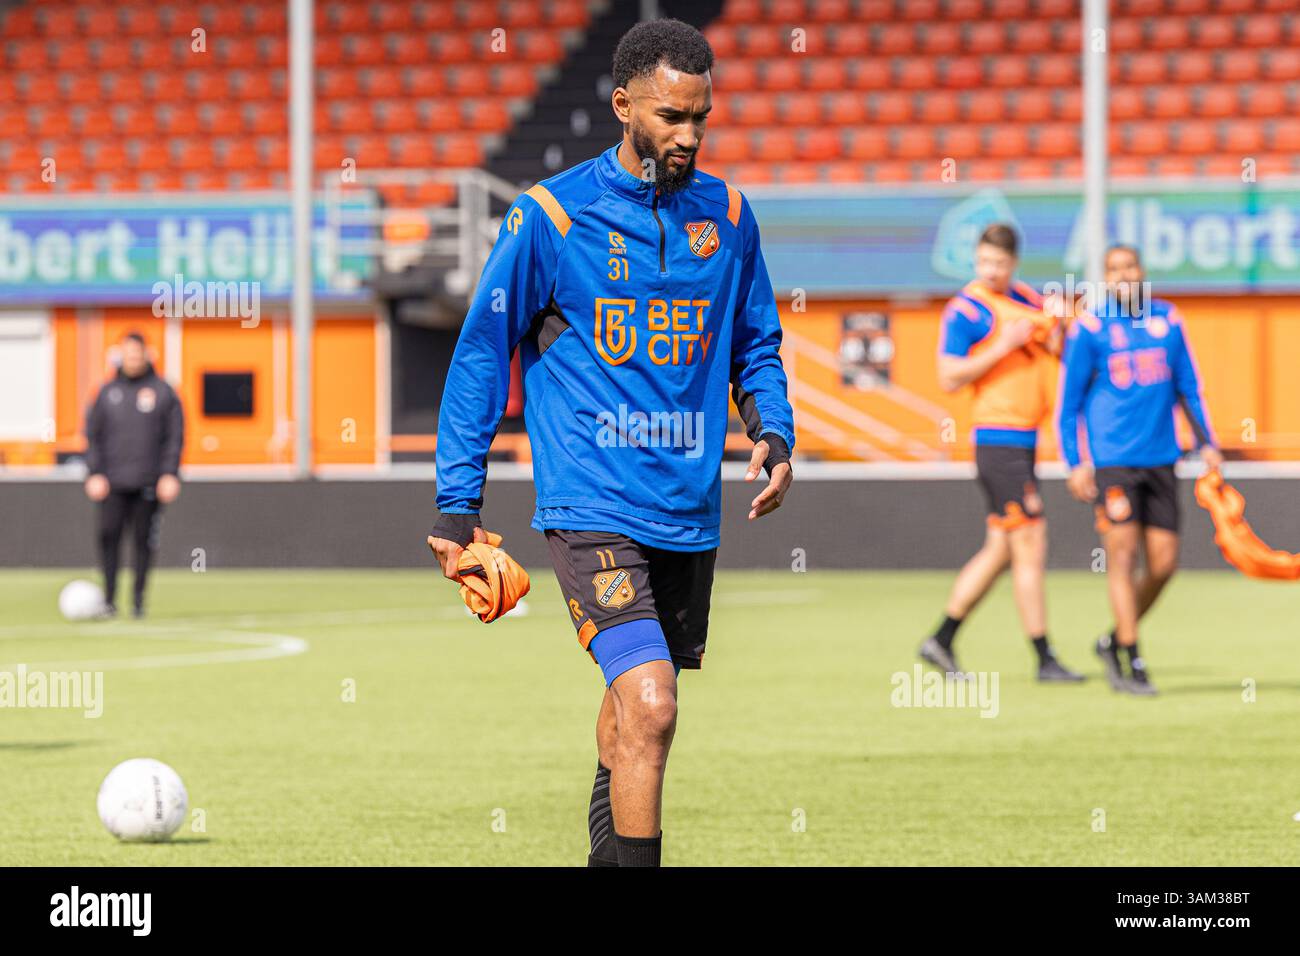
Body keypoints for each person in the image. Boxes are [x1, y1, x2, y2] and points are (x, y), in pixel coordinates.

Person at [425, 19, 794, 867]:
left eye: (701, 117)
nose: (689, 135)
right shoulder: (550, 217)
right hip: (590, 500)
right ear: (624, 104)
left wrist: (773, 433)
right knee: (655, 704)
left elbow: (756, 344)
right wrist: (457, 502)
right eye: (671, 117)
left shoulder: (730, 216)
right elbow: (482, 351)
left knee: (631, 713)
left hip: (687, 508)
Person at [920, 224, 1083, 683]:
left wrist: (1063, 317)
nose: (990, 270)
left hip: (1023, 440)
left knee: (1001, 548)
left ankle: (942, 639)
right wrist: (1001, 345)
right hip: (998, 441)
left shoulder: (1027, 299)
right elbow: (949, 375)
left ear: (1013, 263)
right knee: (1030, 543)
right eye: (984, 261)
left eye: (999, 263)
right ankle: (1044, 657)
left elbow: (1058, 341)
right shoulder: (966, 309)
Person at [1058, 244, 1222, 696]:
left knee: (1165, 564)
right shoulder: (1090, 328)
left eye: (1129, 267)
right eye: (1114, 269)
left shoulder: (1167, 320)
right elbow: (1068, 403)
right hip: (1113, 462)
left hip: (1162, 458)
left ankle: (1112, 640)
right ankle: (1133, 658)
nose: (1123, 275)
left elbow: (1188, 385)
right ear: (1105, 278)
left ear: (1142, 272)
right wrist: (1075, 462)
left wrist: (1207, 442)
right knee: (1122, 557)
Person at [84, 332, 184, 618]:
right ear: (121, 357)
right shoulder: (106, 392)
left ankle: (138, 601)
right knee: (108, 537)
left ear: (146, 355)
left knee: (143, 542)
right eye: (128, 355)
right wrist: (95, 473)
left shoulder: (164, 392)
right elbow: (92, 436)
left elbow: (174, 437)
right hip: (112, 482)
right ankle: (109, 600)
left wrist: (169, 474)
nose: (133, 360)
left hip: (148, 482)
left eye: (137, 354)